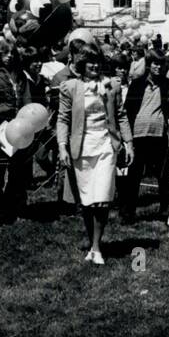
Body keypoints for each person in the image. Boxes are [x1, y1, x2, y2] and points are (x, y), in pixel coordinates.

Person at [57, 48, 133, 265]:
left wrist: (129, 143)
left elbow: (121, 115)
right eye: (90, 63)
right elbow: (62, 119)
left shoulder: (111, 85)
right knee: (88, 202)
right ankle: (93, 243)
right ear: (82, 64)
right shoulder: (71, 87)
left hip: (106, 146)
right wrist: (62, 147)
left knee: (102, 198)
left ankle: (97, 247)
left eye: (98, 62)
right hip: (81, 148)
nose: (95, 66)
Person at [0, 43, 41, 225]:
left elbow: (28, 102)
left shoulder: (22, 76)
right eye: (4, 53)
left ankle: (12, 209)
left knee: (18, 171)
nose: (9, 56)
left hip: (19, 128)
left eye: (11, 53)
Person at [121, 48, 169, 223]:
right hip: (138, 135)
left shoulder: (168, 84)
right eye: (155, 63)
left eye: (161, 64)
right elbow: (127, 109)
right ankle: (128, 213)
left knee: (163, 176)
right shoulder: (137, 84)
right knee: (134, 176)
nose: (158, 67)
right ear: (148, 65)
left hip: (158, 135)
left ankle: (165, 211)